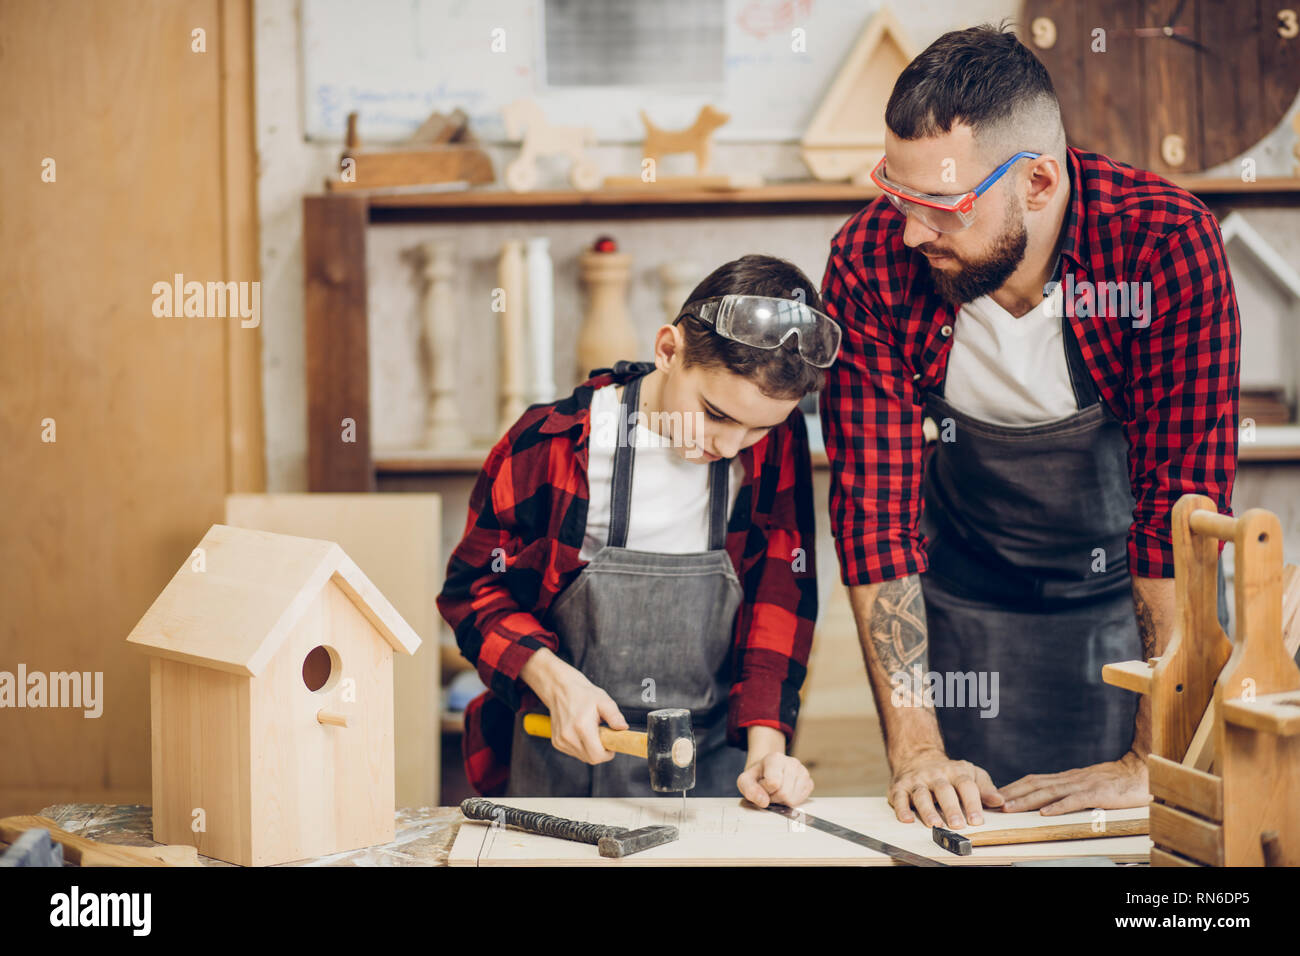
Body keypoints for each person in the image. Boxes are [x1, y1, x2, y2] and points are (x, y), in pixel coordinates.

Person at [819, 25, 1239, 830]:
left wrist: (1149, 758)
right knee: (976, 830)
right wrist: (916, 752)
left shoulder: (1162, 244)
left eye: (939, 206)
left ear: (1039, 182)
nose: (911, 232)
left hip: (1132, 603)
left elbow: (1178, 522)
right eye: (896, 195)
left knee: (1143, 837)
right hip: (968, 608)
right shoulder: (872, 260)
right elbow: (874, 523)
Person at [438, 254, 840, 805]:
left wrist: (767, 749)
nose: (728, 446)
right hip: (561, 755)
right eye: (716, 414)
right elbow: (474, 593)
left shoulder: (775, 444)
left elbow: (779, 596)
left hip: (709, 766)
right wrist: (553, 680)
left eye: (756, 429)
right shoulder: (550, 444)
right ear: (669, 350)